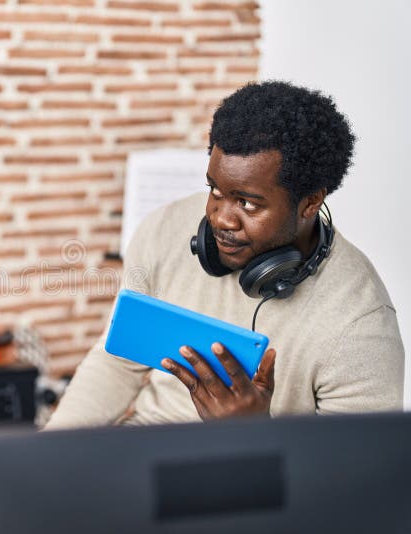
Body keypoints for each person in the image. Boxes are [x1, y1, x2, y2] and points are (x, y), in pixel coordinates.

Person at [46, 81, 404, 429]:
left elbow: (353, 478)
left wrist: (255, 434)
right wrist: (48, 454)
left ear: (310, 202)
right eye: (215, 190)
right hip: (145, 450)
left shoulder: (361, 323)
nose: (220, 218)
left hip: (259, 481)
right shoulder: (164, 229)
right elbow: (118, 363)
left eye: (247, 203)